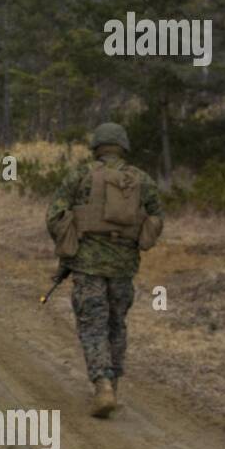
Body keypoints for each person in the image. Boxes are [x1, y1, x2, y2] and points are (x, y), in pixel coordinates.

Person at [45, 122, 163, 418]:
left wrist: (70, 246)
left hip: (87, 265)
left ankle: (103, 384)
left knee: (93, 325)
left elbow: (55, 216)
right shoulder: (142, 180)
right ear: (123, 146)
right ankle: (115, 383)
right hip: (124, 267)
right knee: (116, 324)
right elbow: (156, 219)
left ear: (97, 147)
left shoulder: (80, 176)